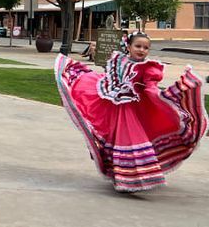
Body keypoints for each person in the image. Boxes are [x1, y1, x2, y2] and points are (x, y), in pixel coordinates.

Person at [54, 31, 206, 192]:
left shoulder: (149, 68)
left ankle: (131, 177)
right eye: (138, 46)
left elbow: (150, 88)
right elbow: (108, 79)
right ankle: (119, 174)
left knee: (129, 140)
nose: (142, 50)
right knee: (113, 139)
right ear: (128, 46)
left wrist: (164, 98)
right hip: (115, 109)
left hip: (133, 111)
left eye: (146, 48)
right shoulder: (119, 60)